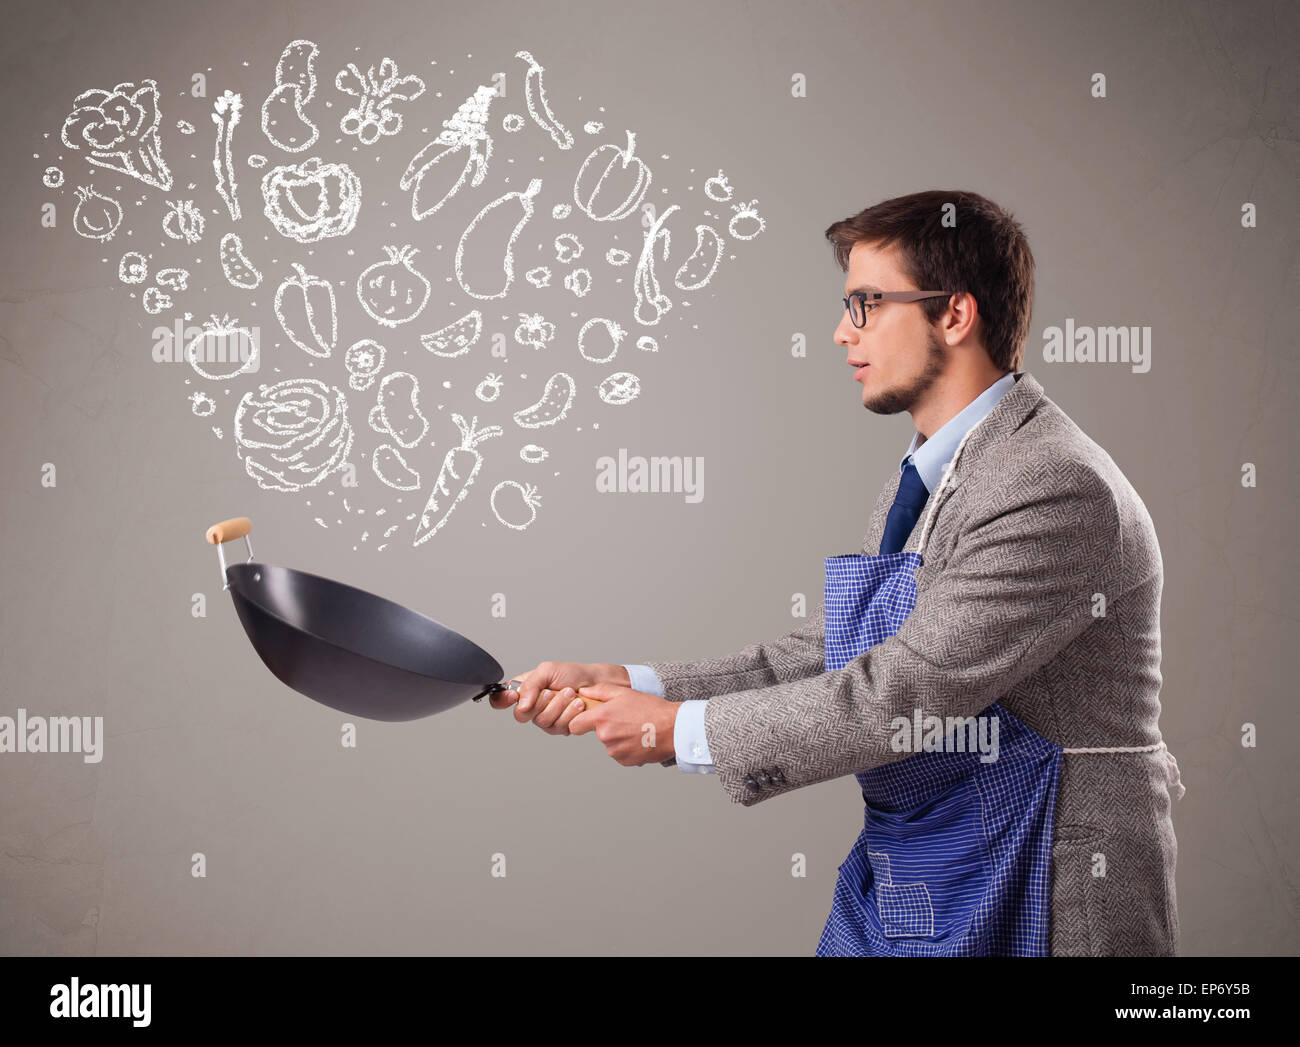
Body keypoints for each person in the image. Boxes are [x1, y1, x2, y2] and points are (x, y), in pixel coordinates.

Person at [489, 189, 1182, 956]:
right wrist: (633, 681)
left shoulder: (1052, 484)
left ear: (955, 314)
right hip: (931, 868)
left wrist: (673, 731)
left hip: (1046, 880)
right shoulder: (928, 474)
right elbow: (830, 652)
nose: (839, 332)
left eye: (865, 304)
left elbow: (902, 691)